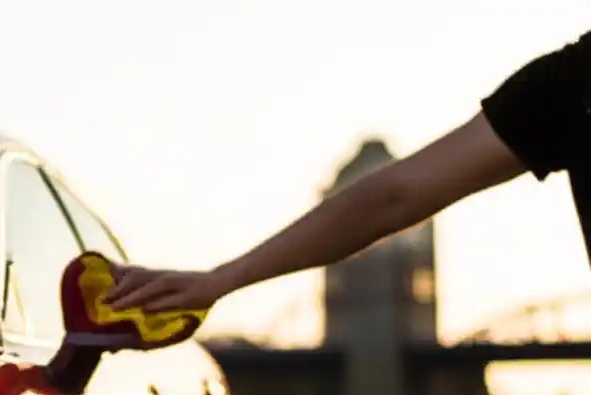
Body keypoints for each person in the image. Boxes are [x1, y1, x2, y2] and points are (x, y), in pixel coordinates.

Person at [103, 31, 591, 315]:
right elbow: (392, 197)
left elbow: (393, 197)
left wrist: (222, 280)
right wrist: (221, 280)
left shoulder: (574, 83)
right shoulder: (571, 85)